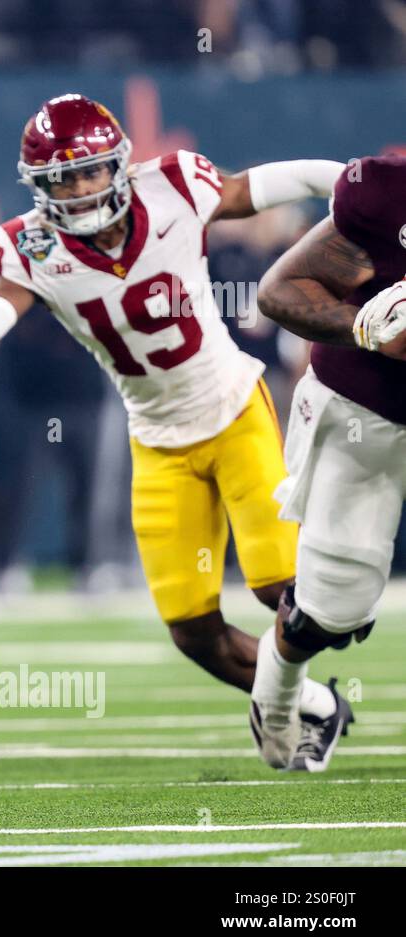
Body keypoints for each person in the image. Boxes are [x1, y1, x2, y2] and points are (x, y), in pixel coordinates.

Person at [0, 94, 351, 770]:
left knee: (281, 591)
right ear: (39, 189)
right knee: (193, 632)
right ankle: (317, 705)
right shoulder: (29, 245)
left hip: (231, 406)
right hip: (157, 439)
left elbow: (260, 186)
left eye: (89, 172)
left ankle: (285, 695)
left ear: (118, 167)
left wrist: (352, 180)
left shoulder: (172, 184)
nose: (80, 189)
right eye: (62, 179)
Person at [250, 154, 406, 770]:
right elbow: (278, 290)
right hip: (365, 410)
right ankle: (281, 687)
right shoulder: (388, 193)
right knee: (334, 611)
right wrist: (367, 327)